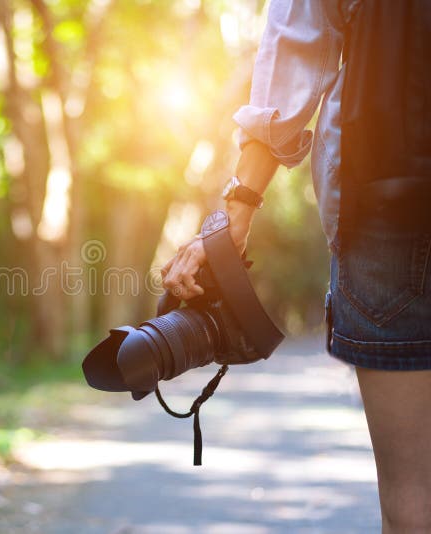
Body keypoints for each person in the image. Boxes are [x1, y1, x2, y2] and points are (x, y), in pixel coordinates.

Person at [161, 1, 431, 531]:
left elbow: (296, 47)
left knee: (413, 497)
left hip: (388, 203)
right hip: (385, 216)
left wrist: (237, 210)